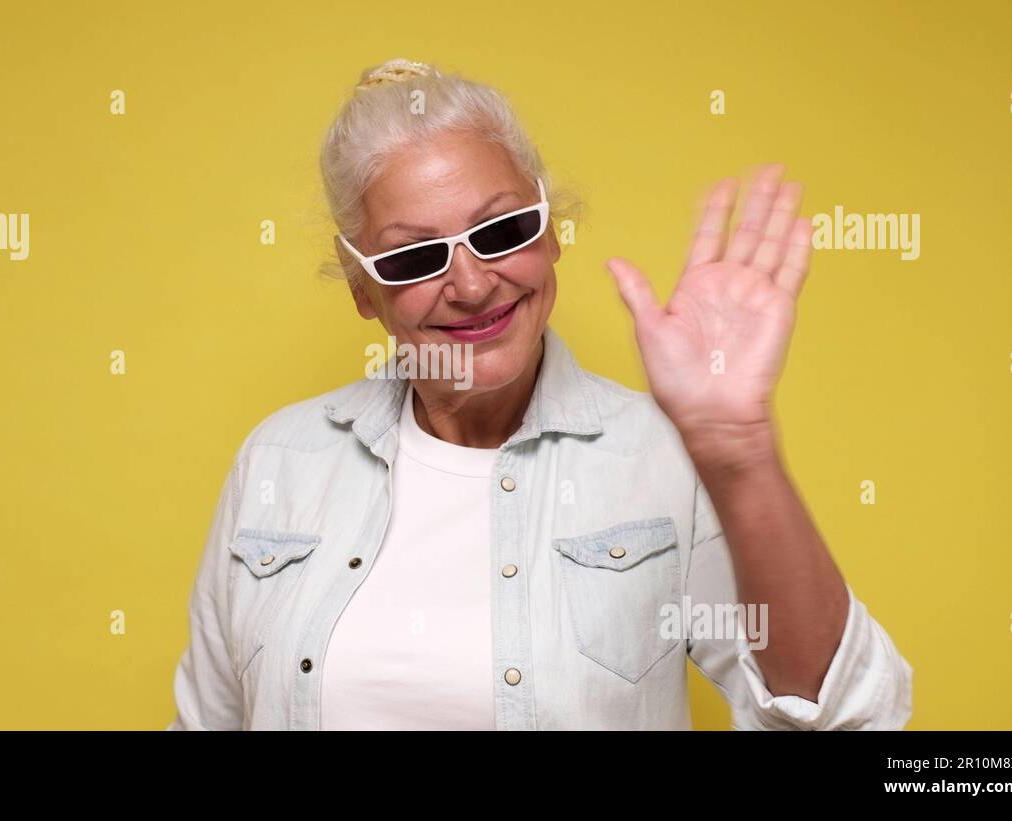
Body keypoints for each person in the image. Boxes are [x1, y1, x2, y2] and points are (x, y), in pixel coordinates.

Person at [167, 58, 912, 730]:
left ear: (552, 229)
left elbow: (848, 720)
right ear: (364, 285)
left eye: (501, 230)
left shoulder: (663, 459)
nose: (470, 284)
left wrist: (741, 451)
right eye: (417, 255)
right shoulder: (280, 460)